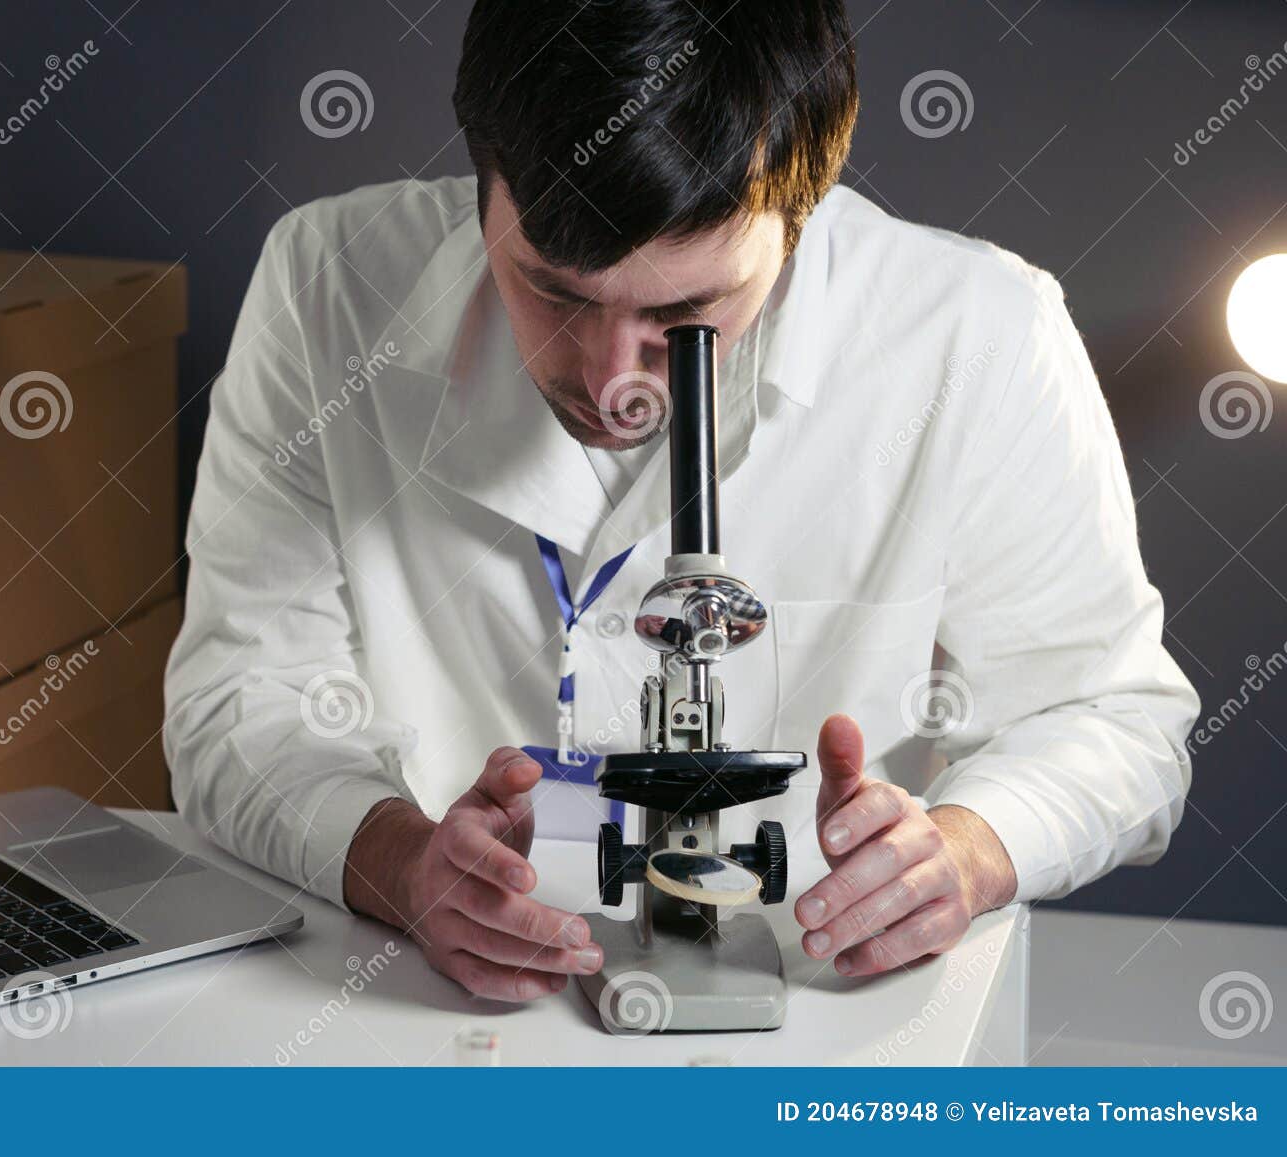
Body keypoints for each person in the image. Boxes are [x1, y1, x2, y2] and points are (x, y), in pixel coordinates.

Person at [164, 0, 1199, 1002]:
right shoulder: (327, 287)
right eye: (555, 290)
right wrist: (401, 863)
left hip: (816, 991)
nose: (611, 371)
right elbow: (237, 697)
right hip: (428, 993)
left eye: (686, 311)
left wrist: (963, 856)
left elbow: (1110, 716)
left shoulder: (976, 335)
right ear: (482, 176)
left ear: (798, 215)